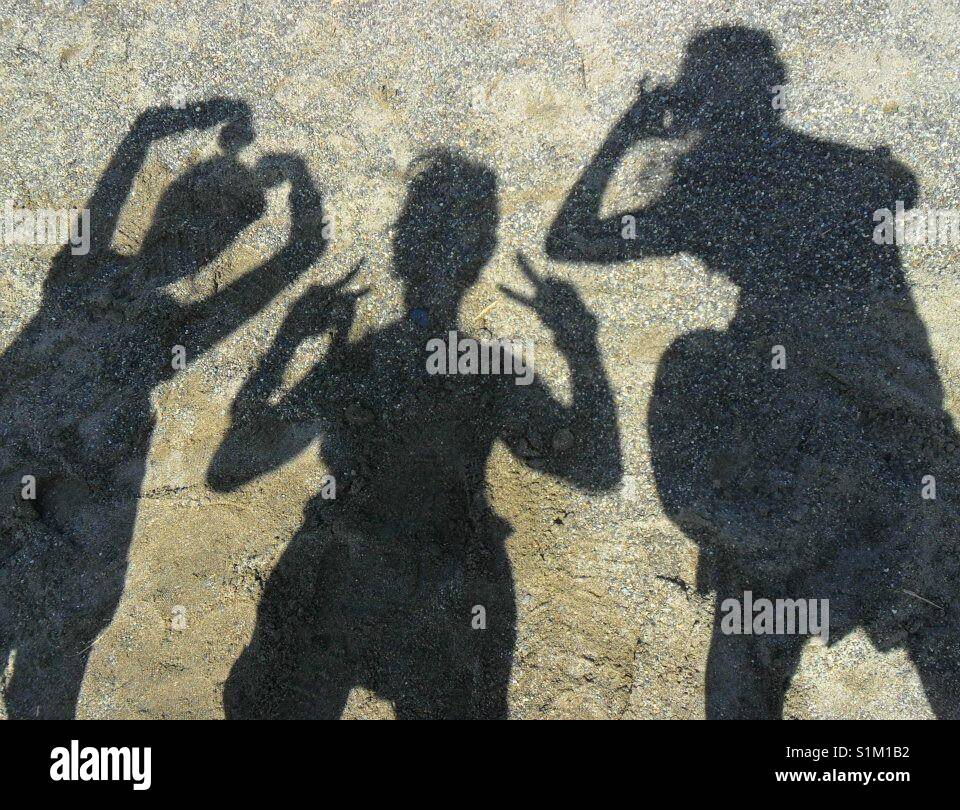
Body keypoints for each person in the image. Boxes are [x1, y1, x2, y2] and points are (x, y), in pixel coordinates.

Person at [547, 26, 960, 717]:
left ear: (697, 103)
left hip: (808, 460)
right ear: (771, 92)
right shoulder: (830, 175)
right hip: (880, 451)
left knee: (746, 678)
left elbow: (571, 237)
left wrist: (627, 133)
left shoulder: (713, 200)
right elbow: (903, 188)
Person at [208, 150, 622, 718]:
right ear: (478, 261)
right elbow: (597, 468)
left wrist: (287, 343)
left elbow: (231, 468)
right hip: (446, 584)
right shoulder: (485, 371)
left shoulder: (361, 365)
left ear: (399, 250)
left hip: (344, 578)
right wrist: (580, 344)